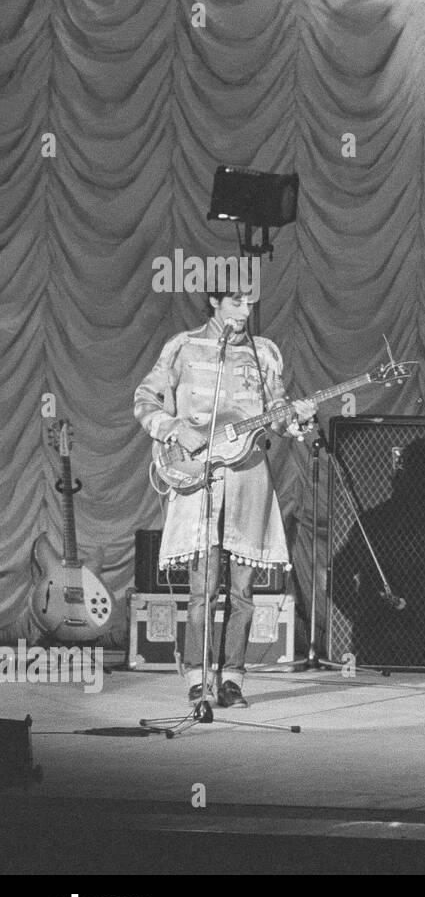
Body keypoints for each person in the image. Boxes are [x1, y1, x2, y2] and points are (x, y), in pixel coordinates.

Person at [134, 293, 315, 707]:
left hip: (249, 480)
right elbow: (144, 400)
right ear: (215, 300)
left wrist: (295, 418)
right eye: (235, 302)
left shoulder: (264, 353)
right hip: (199, 480)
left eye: (250, 303)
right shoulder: (183, 347)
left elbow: (279, 416)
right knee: (202, 592)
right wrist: (176, 429)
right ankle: (197, 679)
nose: (244, 312)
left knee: (242, 594)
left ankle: (232, 677)